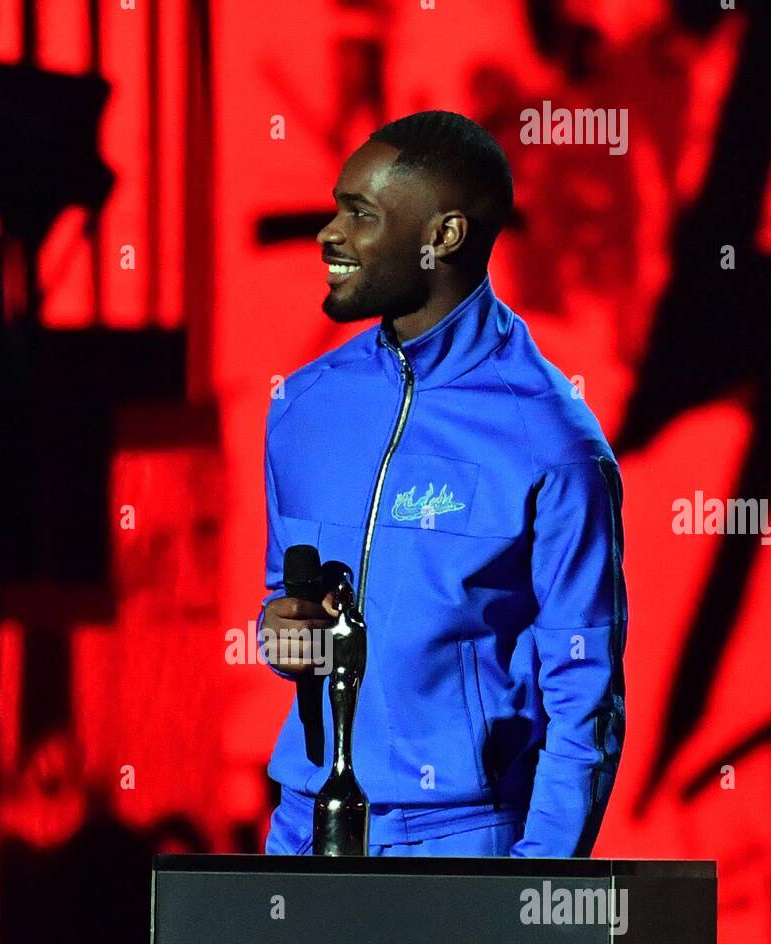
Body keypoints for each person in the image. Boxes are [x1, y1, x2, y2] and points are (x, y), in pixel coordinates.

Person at [259, 110, 626, 858]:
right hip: (302, 827)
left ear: (444, 237)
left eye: (360, 216)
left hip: (459, 843)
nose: (329, 235)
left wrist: (535, 888)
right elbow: (282, 601)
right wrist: (283, 630)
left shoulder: (549, 437)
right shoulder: (303, 404)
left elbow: (585, 694)